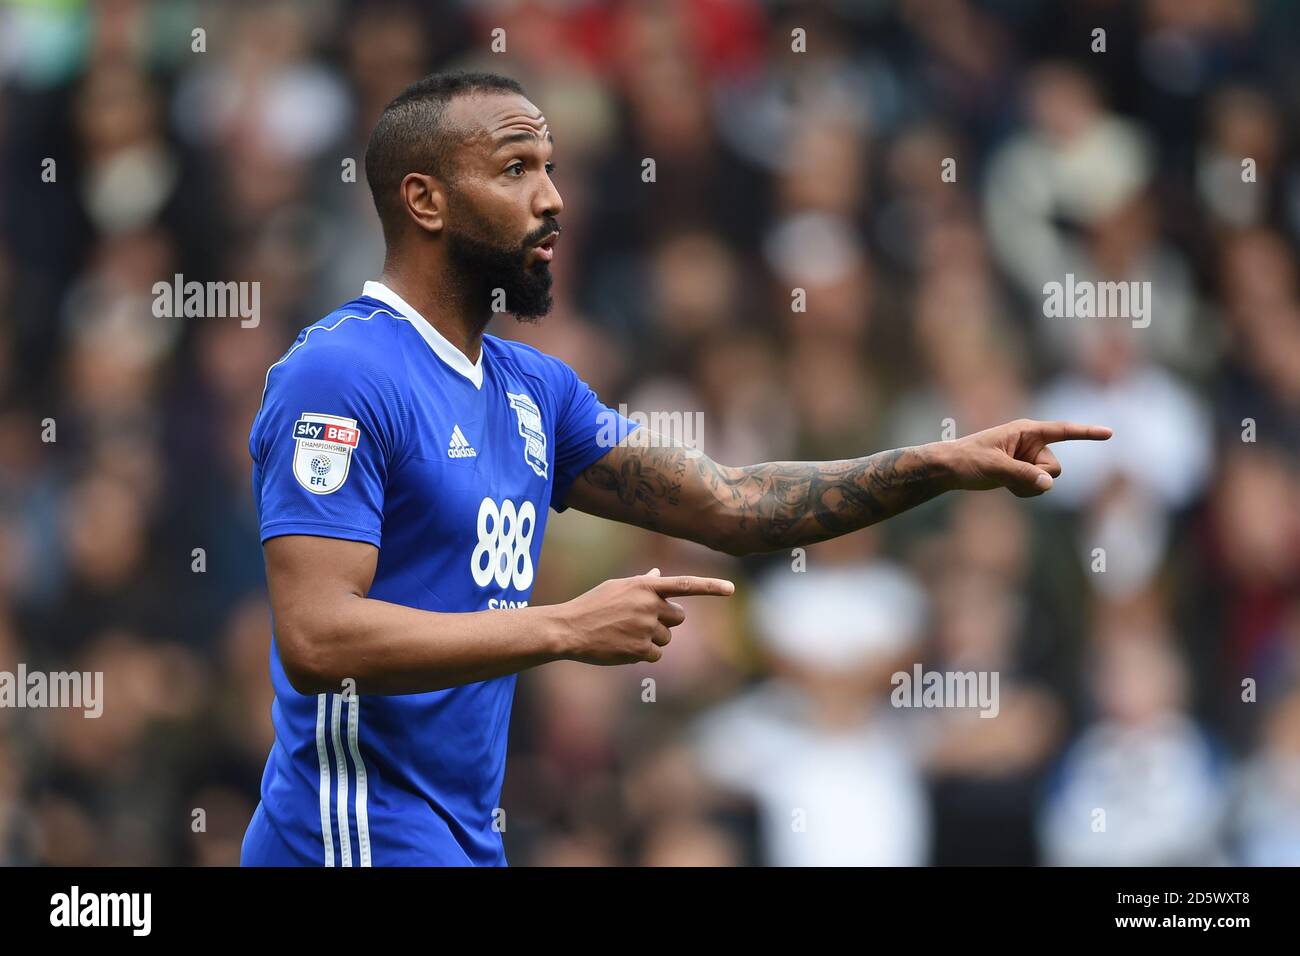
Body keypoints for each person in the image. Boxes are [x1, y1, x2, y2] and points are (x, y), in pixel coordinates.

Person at [240, 70, 1112, 866]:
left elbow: (730, 503)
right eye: (515, 170)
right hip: (347, 833)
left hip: (459, 838)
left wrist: (935, 462)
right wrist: (564, 628)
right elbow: (319, 636)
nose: (552, 200)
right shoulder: (343, 372)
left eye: (549, 168)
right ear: (425, 201)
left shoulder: (532, 391)